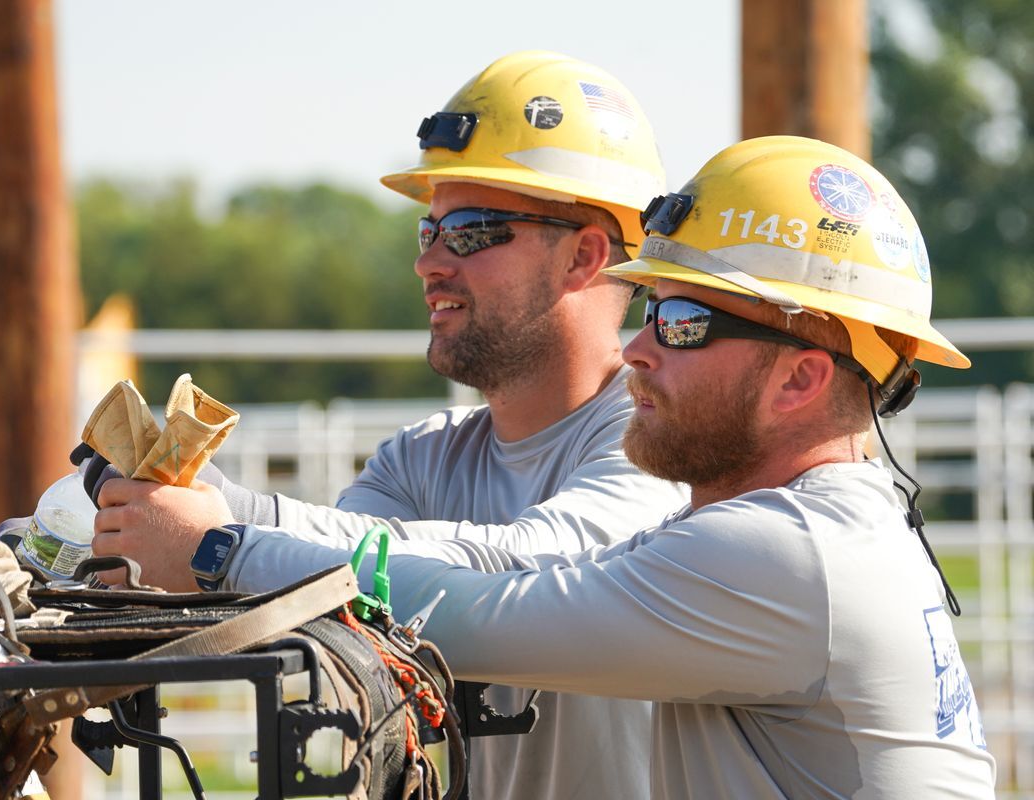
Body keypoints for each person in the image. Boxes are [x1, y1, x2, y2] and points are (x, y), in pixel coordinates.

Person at [174, 136, 998, 797]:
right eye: (648, 310)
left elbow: (485, 611)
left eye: (680, 322)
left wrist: (222, 549)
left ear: (801, 377)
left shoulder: (785, 551)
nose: (636, 348)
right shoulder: (818, 531)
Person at [92, 51, 688, 800]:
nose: (429, 263)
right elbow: (321, 588)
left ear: (585, 256)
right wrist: (160, 517)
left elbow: (534, 568)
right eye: (427, 231)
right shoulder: (418, 462)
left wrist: (222, 535)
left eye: (468, 231)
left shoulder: (657, 447)